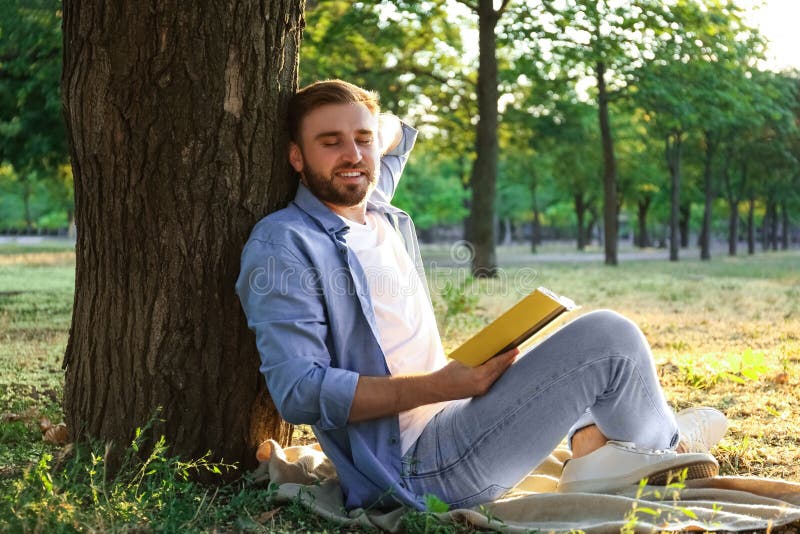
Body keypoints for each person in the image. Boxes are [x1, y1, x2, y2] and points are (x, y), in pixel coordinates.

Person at [236, 79, 728, 511]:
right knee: (609, 338)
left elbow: (397, 134)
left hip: (454, 416)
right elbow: (299, 392)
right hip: (417, 467)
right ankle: (666, 443)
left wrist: (364, 126)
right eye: (329, 142)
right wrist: (442, 385)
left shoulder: (374, 205)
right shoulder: (284, 243)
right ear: (296, 157)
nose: (353, 156)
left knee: (556, 352)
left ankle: (597, 446)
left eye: (362, 141)